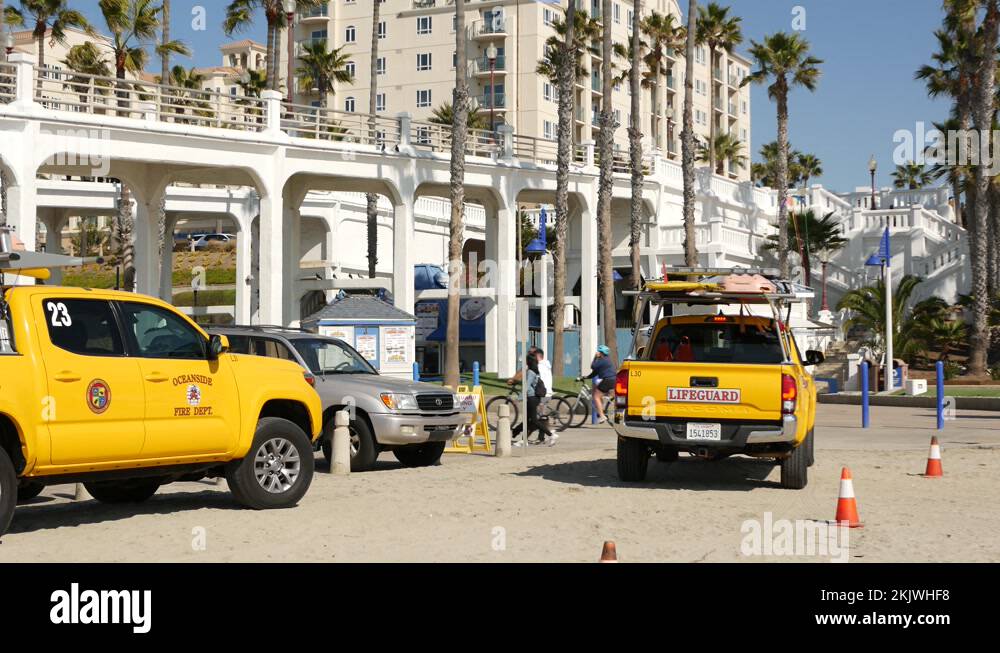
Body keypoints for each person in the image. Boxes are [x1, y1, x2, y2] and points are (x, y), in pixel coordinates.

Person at [510, 354, 556, 446]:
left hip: (532, 398)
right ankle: (522, 439)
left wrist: (518, 399)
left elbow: (526, 386)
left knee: (534, 420)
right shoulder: (534, 371)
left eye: (526, 360)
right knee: (527, 420)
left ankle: (551, 435)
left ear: (528, 361)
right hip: (533, 398)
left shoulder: (531, 372)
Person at [578, 345, 617, 424]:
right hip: (612, 380)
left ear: (601, 353)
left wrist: (595, 357)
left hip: (607, 380)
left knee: (596, 396)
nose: (597, 352)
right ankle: (601, 410)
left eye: (598, 351)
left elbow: (593, 366)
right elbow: (595, 372)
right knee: (600, 394)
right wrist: (585, 377)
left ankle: (602, 416)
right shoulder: (606, 360)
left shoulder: (602, 360)